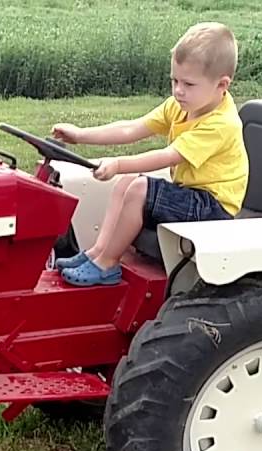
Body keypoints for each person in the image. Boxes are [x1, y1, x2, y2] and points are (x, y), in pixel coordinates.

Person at [51, 22, 249, 286]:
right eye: (174, 80)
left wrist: (118, 163)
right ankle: (97, 253)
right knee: (125, 183)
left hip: (213, 207)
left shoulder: (221, 124)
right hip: (191, 194)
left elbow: (168, 156)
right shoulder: (181, 106)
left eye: (188, 84)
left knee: (139, 188)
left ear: (221, 85)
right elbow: (131, 128)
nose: (178, 90)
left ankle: (108, 265)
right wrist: (80, 134)